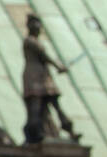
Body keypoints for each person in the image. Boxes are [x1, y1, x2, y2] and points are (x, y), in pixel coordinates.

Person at [21, 14, 78, 142]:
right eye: (34, 23)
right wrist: (58, 66)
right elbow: (44, 55)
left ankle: (69, 130)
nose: (37, 27)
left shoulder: (33, 41)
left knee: (54, 103)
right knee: (37, 105)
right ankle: (36, 132)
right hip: (34, 76)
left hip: (43, 75)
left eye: (38, 24)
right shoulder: (29, 41)